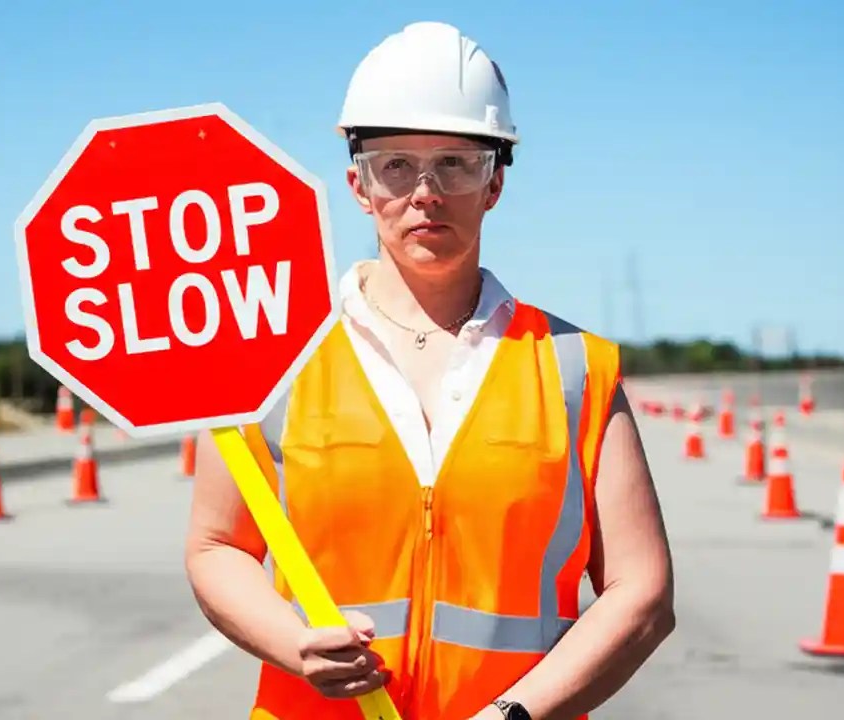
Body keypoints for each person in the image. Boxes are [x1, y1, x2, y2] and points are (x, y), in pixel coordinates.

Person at [184, 20, 674, 720]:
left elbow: (642, 591)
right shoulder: (274, 358)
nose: (426, 192)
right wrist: (296, 645)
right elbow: (214, 545)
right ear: (358, 184)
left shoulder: (576, 369)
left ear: (495, 182)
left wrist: (514, 717)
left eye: (456, 163)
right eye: (396, 165)